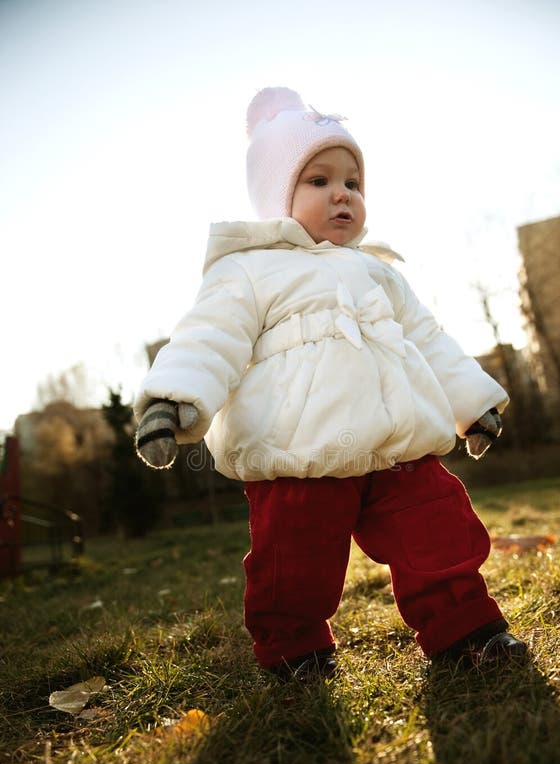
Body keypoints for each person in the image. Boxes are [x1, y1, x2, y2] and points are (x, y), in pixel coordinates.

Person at [134, 86, 527, 680]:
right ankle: (296, 652)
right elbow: (208, 337)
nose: (342, 193)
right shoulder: (250, 269)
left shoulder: (379, 272)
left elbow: (429, 339)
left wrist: (472, 405)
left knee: (439, 530)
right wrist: (171, 399)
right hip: (301, 454)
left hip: (397, 449)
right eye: (318, 180)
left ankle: (466, 629)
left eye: (353, 182)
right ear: (277, 196)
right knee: (293, 563)